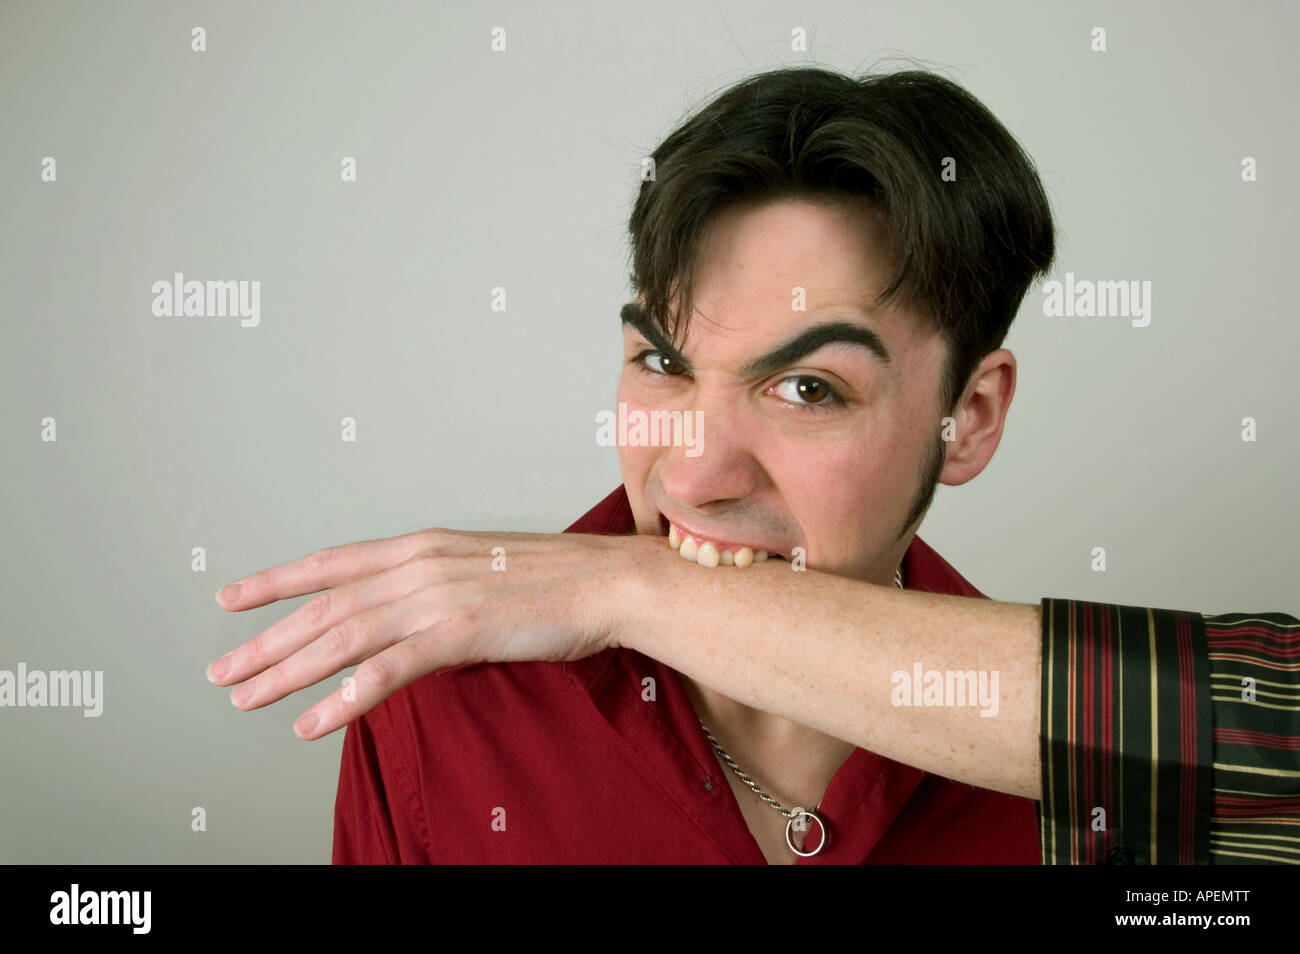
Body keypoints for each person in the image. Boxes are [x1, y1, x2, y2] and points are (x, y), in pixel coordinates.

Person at [208, 66, 1299, 864]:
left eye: (807, 389)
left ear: (966, 416)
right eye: (662, 362)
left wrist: (628, 583)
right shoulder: (442, 711)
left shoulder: (1110, 799)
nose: (695, 474)